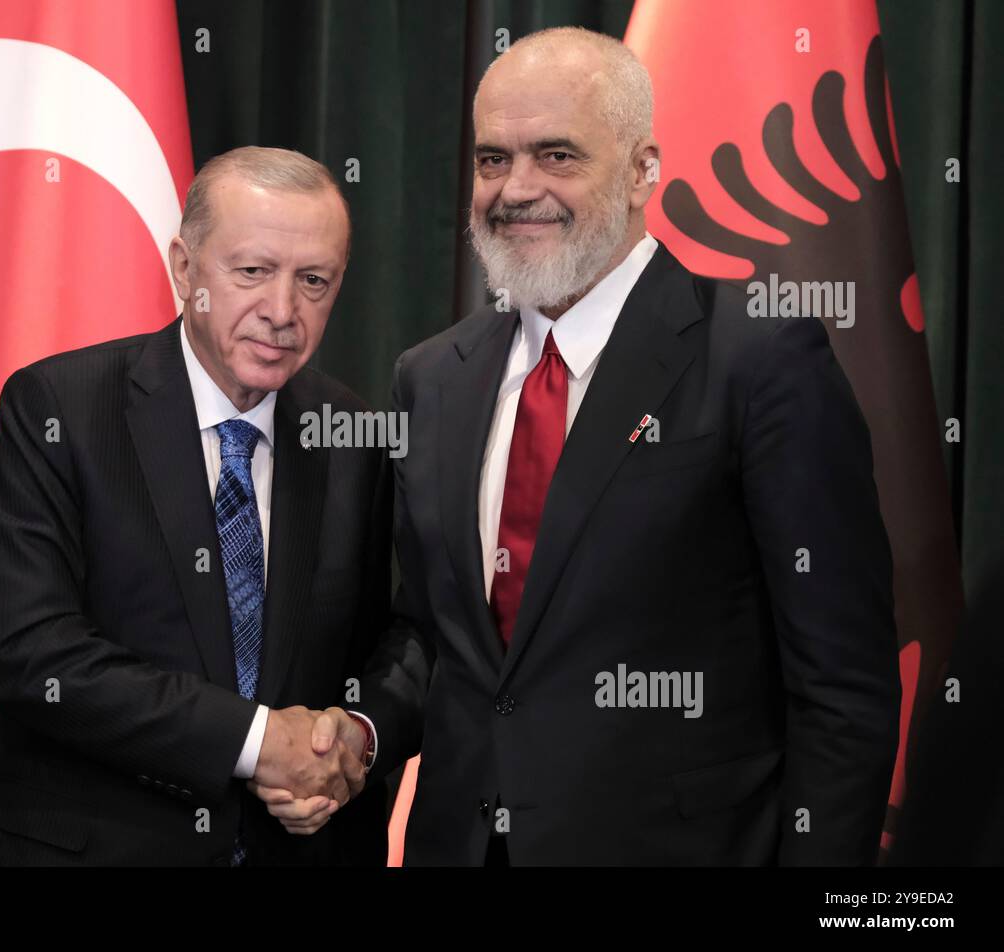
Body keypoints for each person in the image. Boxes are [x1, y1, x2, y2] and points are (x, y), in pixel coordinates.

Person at [286, 26, 901, 865]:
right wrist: (358, 730)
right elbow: (438, 634)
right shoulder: (431, 378)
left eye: (558, 156)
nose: (516, 189)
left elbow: (843, 688)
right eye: (493, 159)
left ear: (644, 170)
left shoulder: (760, 358)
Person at [0, 146, 384, 866]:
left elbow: (382, 646)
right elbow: (31, 656)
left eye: (314, 281)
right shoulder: (61, 408)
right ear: (185, 268)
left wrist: (347, 740)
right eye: (252, 271)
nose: (282, 311)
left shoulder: (351, 436)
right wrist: (255, 742)